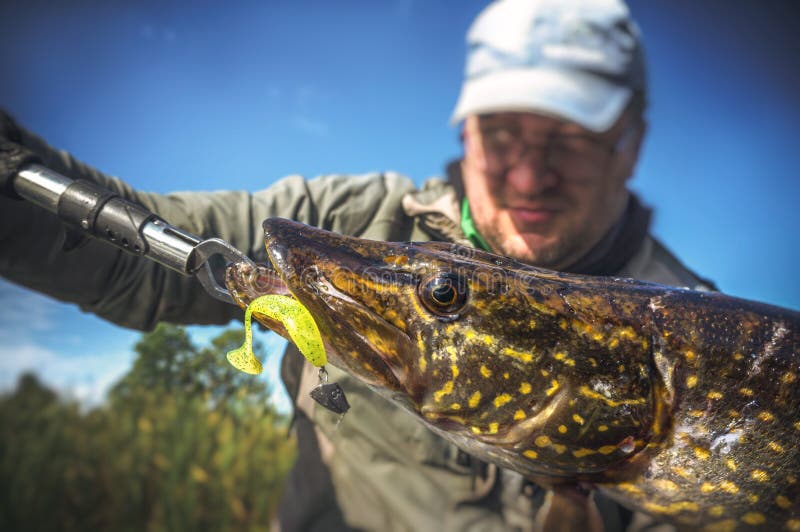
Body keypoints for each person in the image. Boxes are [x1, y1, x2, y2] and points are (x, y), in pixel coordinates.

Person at [0, 0, 713, 530]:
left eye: (569, 138)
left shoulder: (701, 340)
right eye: (500, 134)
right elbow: (131, 259)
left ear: (631, 141)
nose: (528, 176)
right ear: (465, 131)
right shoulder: (351, 223)